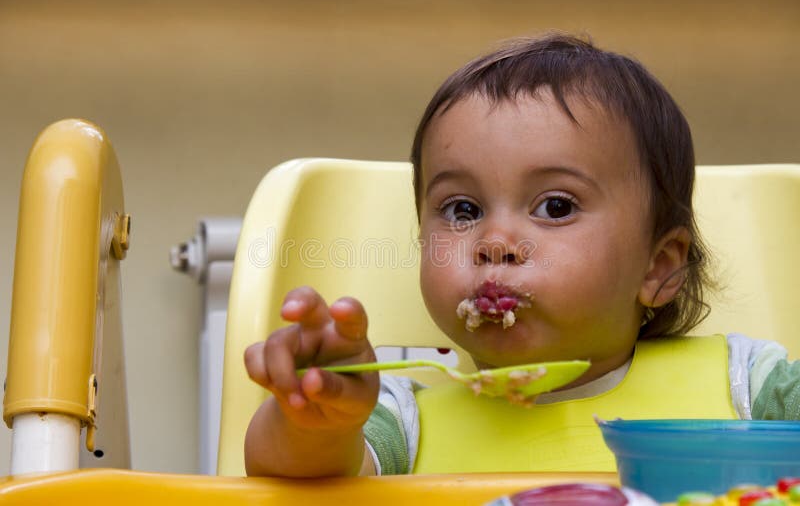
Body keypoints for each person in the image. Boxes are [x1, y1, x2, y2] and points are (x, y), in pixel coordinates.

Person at [242, 32, 800, 478]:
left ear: (657, 267)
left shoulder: (748, 387)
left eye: (555, 206)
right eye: (462, 209)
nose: (494, 242)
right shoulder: (399, 423)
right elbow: (298, 475)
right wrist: (317, 419)